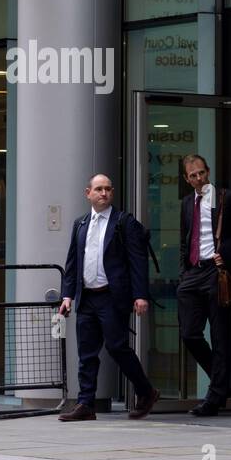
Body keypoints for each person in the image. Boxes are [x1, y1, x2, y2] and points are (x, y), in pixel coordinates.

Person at [58, 174, 159, 421]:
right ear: (88, 193)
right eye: (99, 189)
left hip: (112, 297)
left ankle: (146, 391)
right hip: (87, 298)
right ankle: (85, 404)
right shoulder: (80, 224)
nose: (104, 193)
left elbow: (137, 261)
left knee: (117, 347)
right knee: (87, 352)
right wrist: (67, 295)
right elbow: (72, 263)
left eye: (108, 189)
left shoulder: (123, 222)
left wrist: (140, 295)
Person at [177, 154, 231, 417]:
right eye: (193, 175)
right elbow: (186, 239)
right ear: (187, 179)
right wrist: (183, 273)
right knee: (189, 333)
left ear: (208, 171)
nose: (199, 178)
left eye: (202, 173)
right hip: (193, 274)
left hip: (217, 272)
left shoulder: (226, 198)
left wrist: (226, 255)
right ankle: (221, 381)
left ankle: (215, 395)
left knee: (220, 336)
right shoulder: (187, 203)